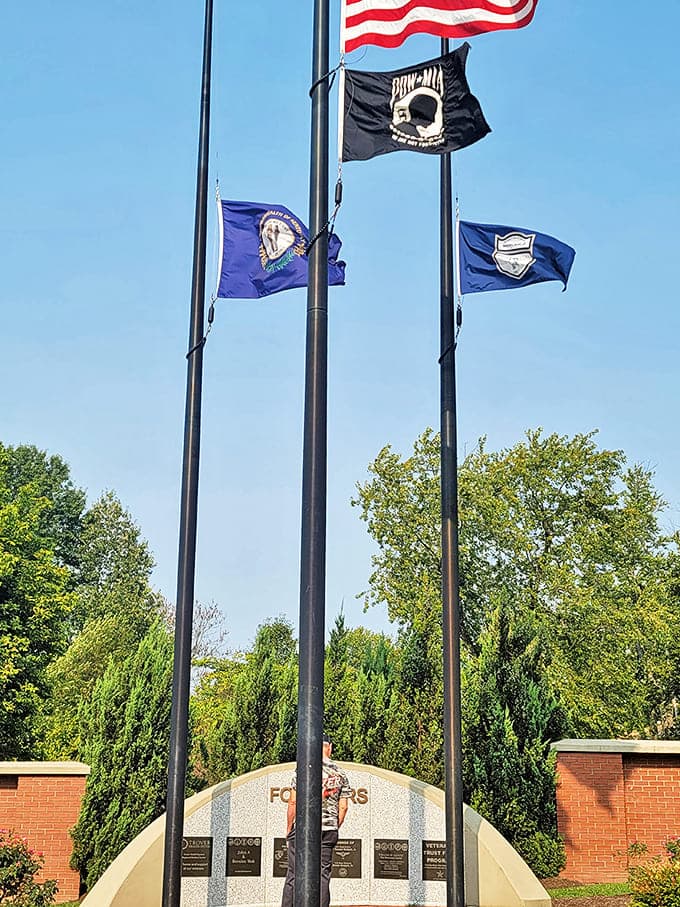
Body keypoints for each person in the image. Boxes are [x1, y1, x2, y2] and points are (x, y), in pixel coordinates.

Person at [280, 735, 351, 907]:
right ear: (330, 747)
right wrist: (334, 825)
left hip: (304, 828)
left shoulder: (304, 768)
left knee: (294, 873)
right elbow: (344, 807)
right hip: (328, 830)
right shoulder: (341, 774)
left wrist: (289, 827)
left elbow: (293, 801)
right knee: (323, 874)